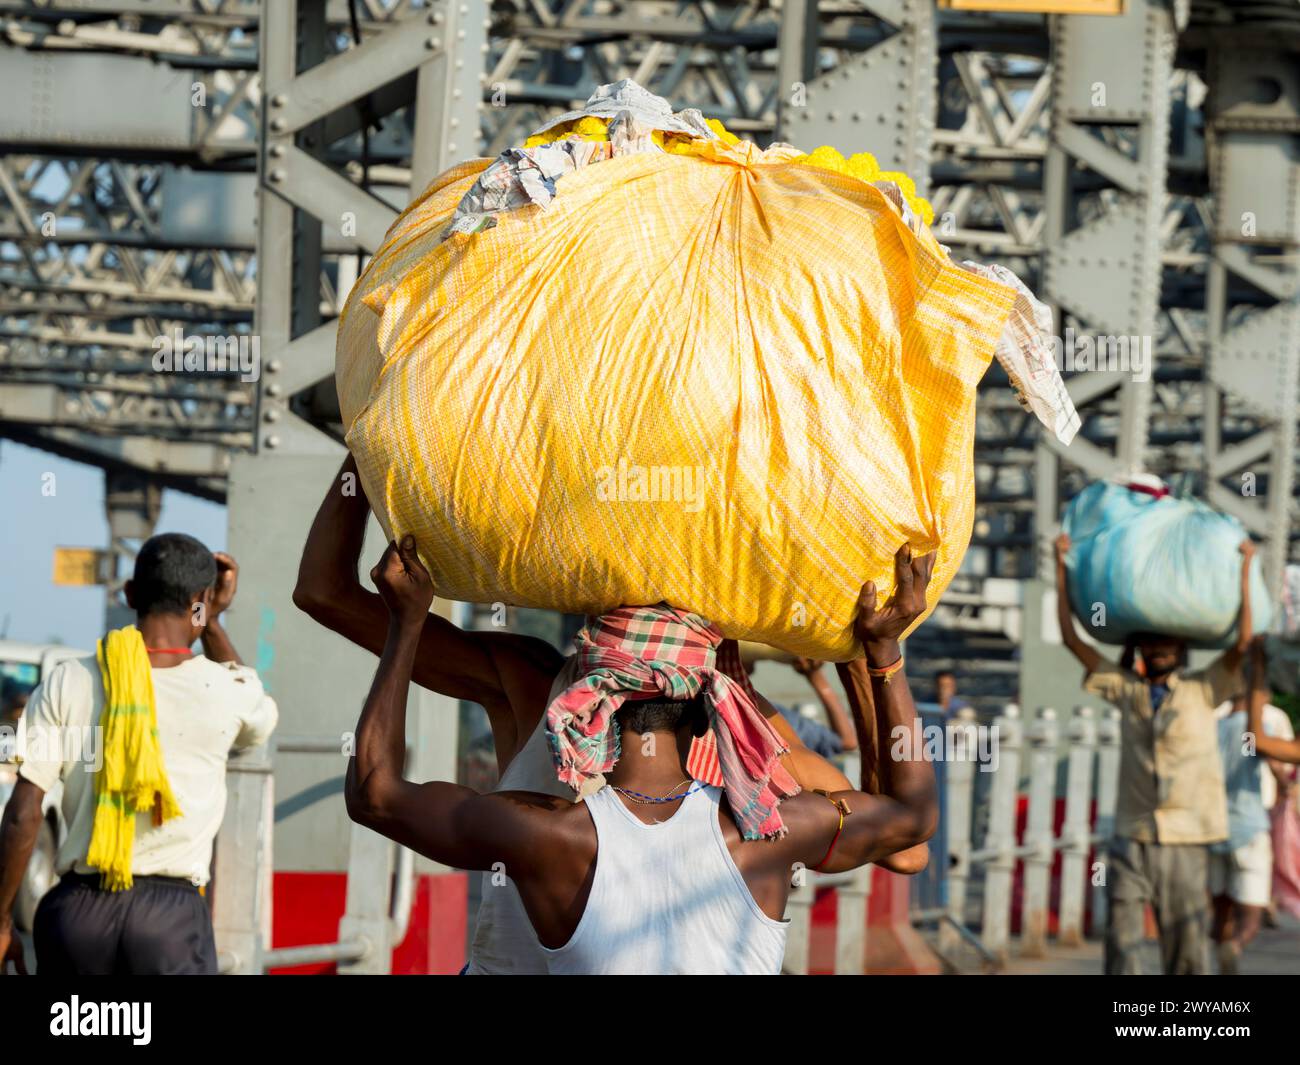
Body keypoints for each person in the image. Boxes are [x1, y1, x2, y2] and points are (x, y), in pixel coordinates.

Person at [294, 455, 926, 974]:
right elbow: (906, 832)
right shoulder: (759, 755)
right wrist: (870, 657)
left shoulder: (542, 700)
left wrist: (369, 446)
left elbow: (372, 786)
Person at [0, 534, 277, 975]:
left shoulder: (69, 680)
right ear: (200, 601)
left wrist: (0, 924)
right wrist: (214, 617)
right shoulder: (225, 690)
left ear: (129, 595)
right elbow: (256, 723)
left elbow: (22, 813)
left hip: (77, 914)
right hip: (170, 920)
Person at [1053, 531, 1254, 975]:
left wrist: (1244, 571)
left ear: (1182, 650)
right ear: (1140, 650)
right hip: (1132, 833)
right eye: (1150, 645)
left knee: (1185, 946)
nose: (1158, 650)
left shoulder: (1205, 688)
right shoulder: (1128, 691)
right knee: (1122, 941)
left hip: (1186, 836)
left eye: (1166, 644)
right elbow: (1074, 642)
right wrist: (1060, 569)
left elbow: (1241, 646)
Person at [1210, 689, 1294, 973]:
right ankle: (1235, 945)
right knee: (1251, 913)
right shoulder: (1263, 723)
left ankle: (1219, 947)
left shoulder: (1214, 720)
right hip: (1250, 825)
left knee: (1220, 905)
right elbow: (1269, 756)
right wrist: (1283, 783)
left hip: (1214, 828)